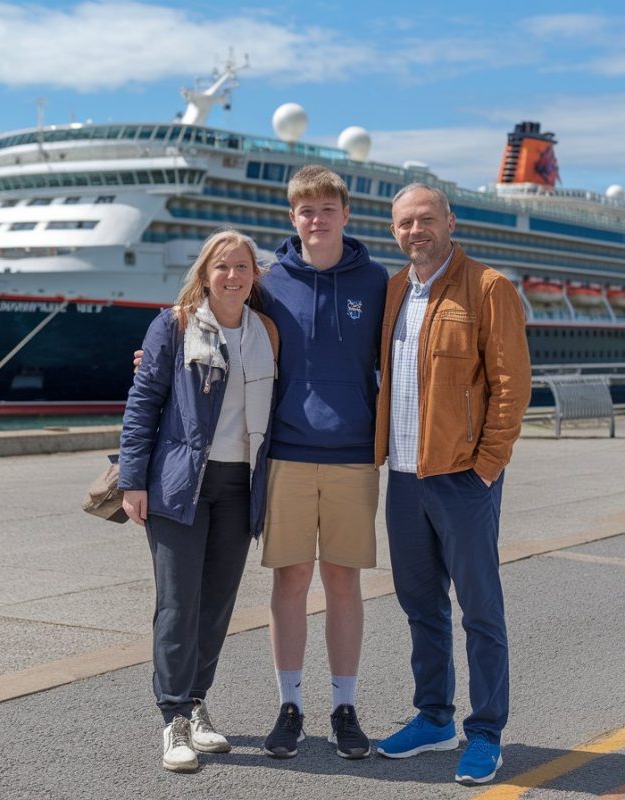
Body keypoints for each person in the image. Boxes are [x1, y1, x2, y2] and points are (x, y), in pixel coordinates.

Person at [372, 184, 531, 785]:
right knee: (420, 606)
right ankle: (434, 716)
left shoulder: (488, 287)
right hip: (406, 476)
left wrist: (488, 463)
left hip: (463, 477)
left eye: (427, 219)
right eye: (406, 222)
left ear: (449, 221)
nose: (417, 230)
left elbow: (513, 385)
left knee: (480, 610)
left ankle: (485, 731)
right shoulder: (392, 292)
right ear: (394, 231)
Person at [119, 229, 279, 774]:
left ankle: (196, 702)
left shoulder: (266, 333)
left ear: (255, 275)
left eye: (242, 267)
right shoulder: (176, 324)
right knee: (178, 603)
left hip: (240, 484)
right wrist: (133, 480)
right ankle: (172, 719)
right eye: (222, 267)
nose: (232, 276)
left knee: (216, 606)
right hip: (181, 483)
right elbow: (143, 403)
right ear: (205, 274)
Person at [258, 165, 388, 760]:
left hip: (354, 455)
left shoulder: (377, 282)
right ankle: (289, 704)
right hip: (287, 450)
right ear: (293, 218)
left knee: (343, 581)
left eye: (326, 209)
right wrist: (151, 350)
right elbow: (216, 322)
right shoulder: (268, 281)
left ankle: (344, 706)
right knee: (290, 580)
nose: (316, 219)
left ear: (344, 214)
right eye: (305, 210)